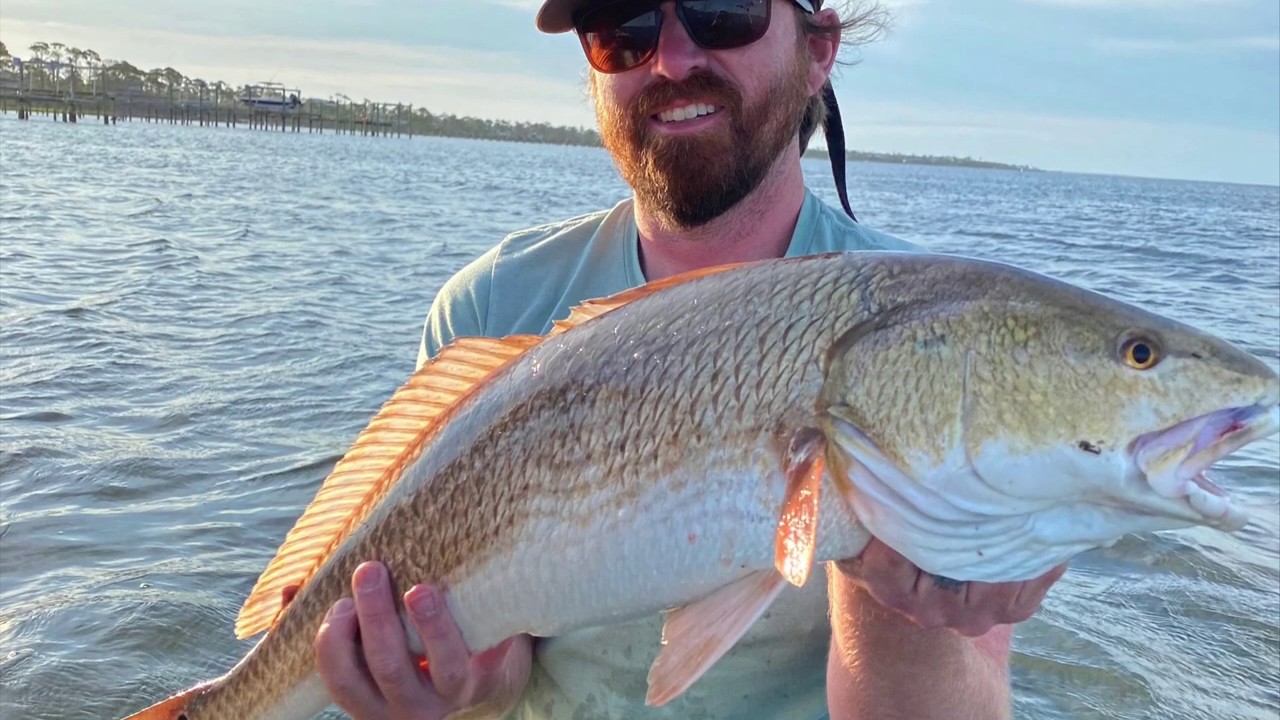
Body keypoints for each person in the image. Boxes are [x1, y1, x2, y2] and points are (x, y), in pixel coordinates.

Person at [307, 1, 1069, 718]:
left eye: (723, 9)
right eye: (622, 26)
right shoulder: (492, 309)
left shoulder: (943, 330)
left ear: (818, 52)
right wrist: (458, 682)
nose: (672, 59)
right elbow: (503, 670)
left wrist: (901, 591)